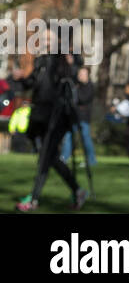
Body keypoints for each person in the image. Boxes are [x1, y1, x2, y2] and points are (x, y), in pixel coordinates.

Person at [12, 41, 87, 212]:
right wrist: (19, 78)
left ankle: (34, 199)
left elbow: (75, 74)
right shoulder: (41, 62)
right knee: (50, 157)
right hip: (40, 116)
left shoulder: (63, 62)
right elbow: (31, 83)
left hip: (57, 117)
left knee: (46, 157)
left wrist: (74, 62)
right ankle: (78, 190)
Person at [58, 66, 96, 170]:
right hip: (73, 116)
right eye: (80, 74)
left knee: (85, 138)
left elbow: (83, 99)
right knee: (68, 136)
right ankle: (64, 157)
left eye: (83, 74)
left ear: (88, 75)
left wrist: (74, 92)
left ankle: (91, 160)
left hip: (83, 117)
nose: (81, 76)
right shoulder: (76, 85)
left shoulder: (90, 86)